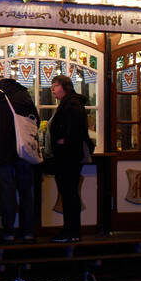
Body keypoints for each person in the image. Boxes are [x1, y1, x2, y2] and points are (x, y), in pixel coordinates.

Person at [0, 72, 39, 242]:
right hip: (24, 152)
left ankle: (9, 231)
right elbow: (36, 120)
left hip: (2, 152)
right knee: (26, 192)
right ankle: (28, 231)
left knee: (7, 191)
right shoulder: (23, 94)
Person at [48, 74, 92, 244]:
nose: (52, 89)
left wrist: (63, 141)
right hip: (68, 157)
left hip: (68, 158)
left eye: (55, 86)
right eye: (52, 86)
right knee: (69, 194)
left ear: (65, 86)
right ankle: (71, 230)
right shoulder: (70, 103)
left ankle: (71, 231)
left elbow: (75, 131)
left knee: (69, 194)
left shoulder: (72, 105)